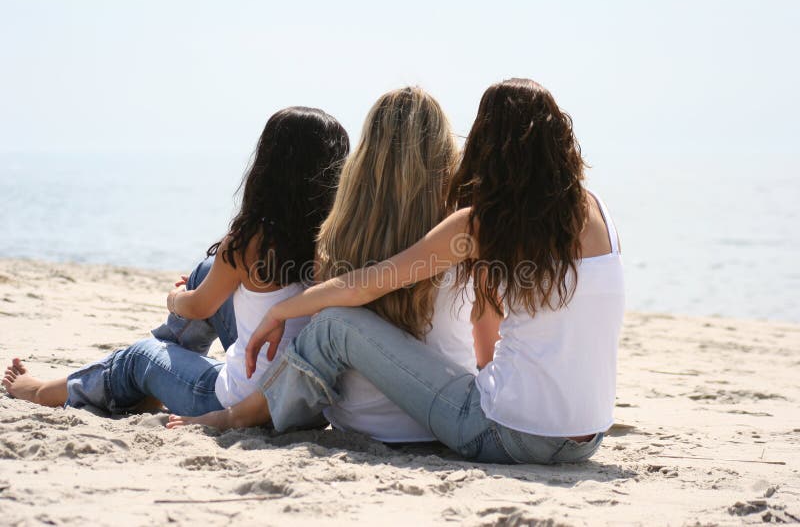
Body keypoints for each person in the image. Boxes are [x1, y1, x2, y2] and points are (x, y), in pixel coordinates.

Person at [237, 78, 624, 465]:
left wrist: (280, 310)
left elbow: (361, 288)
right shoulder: (601, 214)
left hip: (508, 437)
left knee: (335, 324)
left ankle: (242, 415)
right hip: (587, 440)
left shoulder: (480, 226)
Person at [168, 87, 502, 440]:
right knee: (210, 274)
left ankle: (180, 349)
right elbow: (487, 351)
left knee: (204, 284)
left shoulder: (340, 231)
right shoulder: (465, 232)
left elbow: (319, 341)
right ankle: (196, 357)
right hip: (440, 418)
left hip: (357, 421)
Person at [3, 106, 349, 424]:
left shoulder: (251, 242)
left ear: (268, 168)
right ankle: (145, 383)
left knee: (138, 356)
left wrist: (174, 297)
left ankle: (42, 392)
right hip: (307, 407)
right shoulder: (337, 240)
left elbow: (198, 306)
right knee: (205, 271)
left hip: (238, 404)